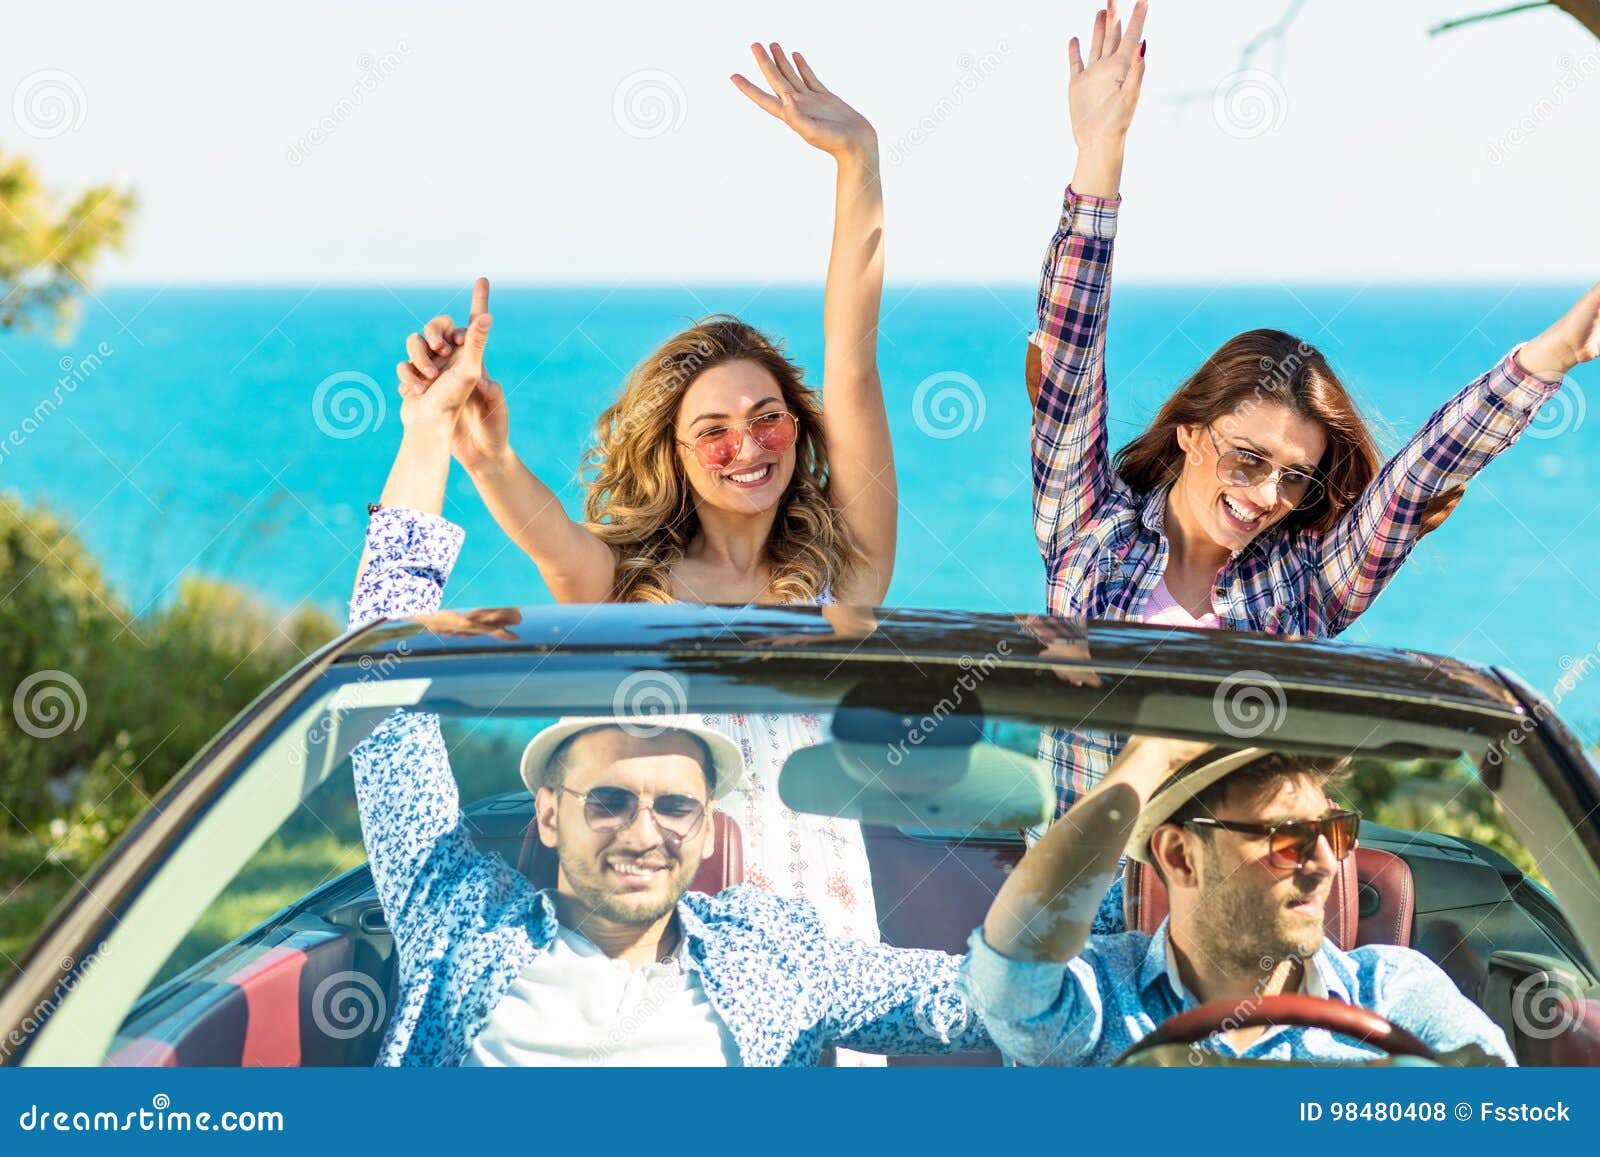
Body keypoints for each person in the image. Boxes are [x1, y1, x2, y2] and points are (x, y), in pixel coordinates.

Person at [1031, 3, 1599, 829]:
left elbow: (1413, 485)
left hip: (1241, 921)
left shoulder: (1298, 586)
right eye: (1247, 459)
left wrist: (1547, 359)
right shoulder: (1089, 535)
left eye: (1294, 477)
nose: (1266, 495)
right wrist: (1098, 156)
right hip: (1086, 913)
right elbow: (1069, 361)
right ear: (1191, 432)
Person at [390, 44, 892, 947]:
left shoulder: (839, 576)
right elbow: (542, 531)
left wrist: (859, 161)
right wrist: (477, 447)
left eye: (769, 417)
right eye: (714, 430)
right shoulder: (628, 589)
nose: (748, 446)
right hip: (672, 955)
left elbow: (850, 361)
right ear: (677, 455)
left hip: (832, 943)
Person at [345, 500, 989, 1066]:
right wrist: (428, 424)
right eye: (609, 801)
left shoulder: (770, 959)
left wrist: (1078, 876)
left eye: (676, 806)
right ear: (548, 814)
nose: (643, 833)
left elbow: (977, 1002)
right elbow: (381, 679)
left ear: (708, 829)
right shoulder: (464, 920)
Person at [963, 736, 1517, 1065]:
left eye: (1337, 832)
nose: (1325, 862)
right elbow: (1010, 976)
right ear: (1180, 856)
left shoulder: (1394, 993)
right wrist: (1152, 753)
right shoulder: (1100, 1002)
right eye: (1287, 838)